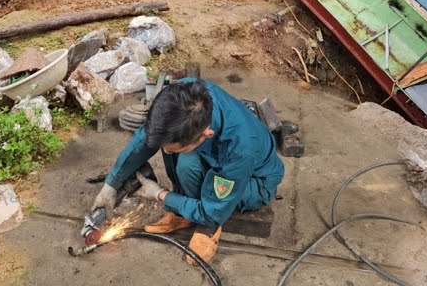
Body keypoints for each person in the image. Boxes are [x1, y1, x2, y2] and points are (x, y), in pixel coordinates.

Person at [90, 78, 284, 267]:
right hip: (219, 157)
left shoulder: (239, 149)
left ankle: (209, 226)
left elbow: (213, 209)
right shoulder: (184, 94)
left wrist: (159, 194)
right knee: (184, 160)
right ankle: (185, 211)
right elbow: (145, 138)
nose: (165, 153)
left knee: (210, 202)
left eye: (172, 149)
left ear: (206, 135)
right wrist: (111, 184)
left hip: (254, 181)